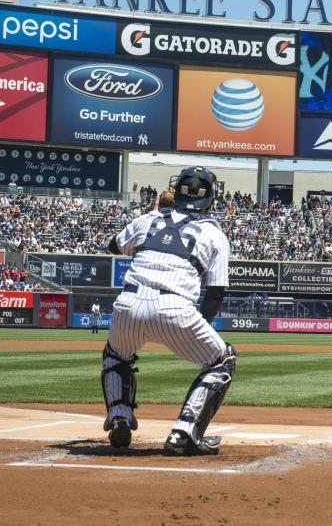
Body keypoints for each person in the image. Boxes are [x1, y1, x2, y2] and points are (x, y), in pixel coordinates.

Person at [101, 166, 235, 456]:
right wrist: (201, 326)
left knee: (115, 355)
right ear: (211, 198)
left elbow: (112, 245)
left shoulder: (148, 218)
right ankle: (184, 432)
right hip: (175, 306)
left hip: (128, 304)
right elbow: (215, 293)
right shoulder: (214, 234)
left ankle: (120, 416)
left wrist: (150, 217)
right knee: (222, 361)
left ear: (177, 190)